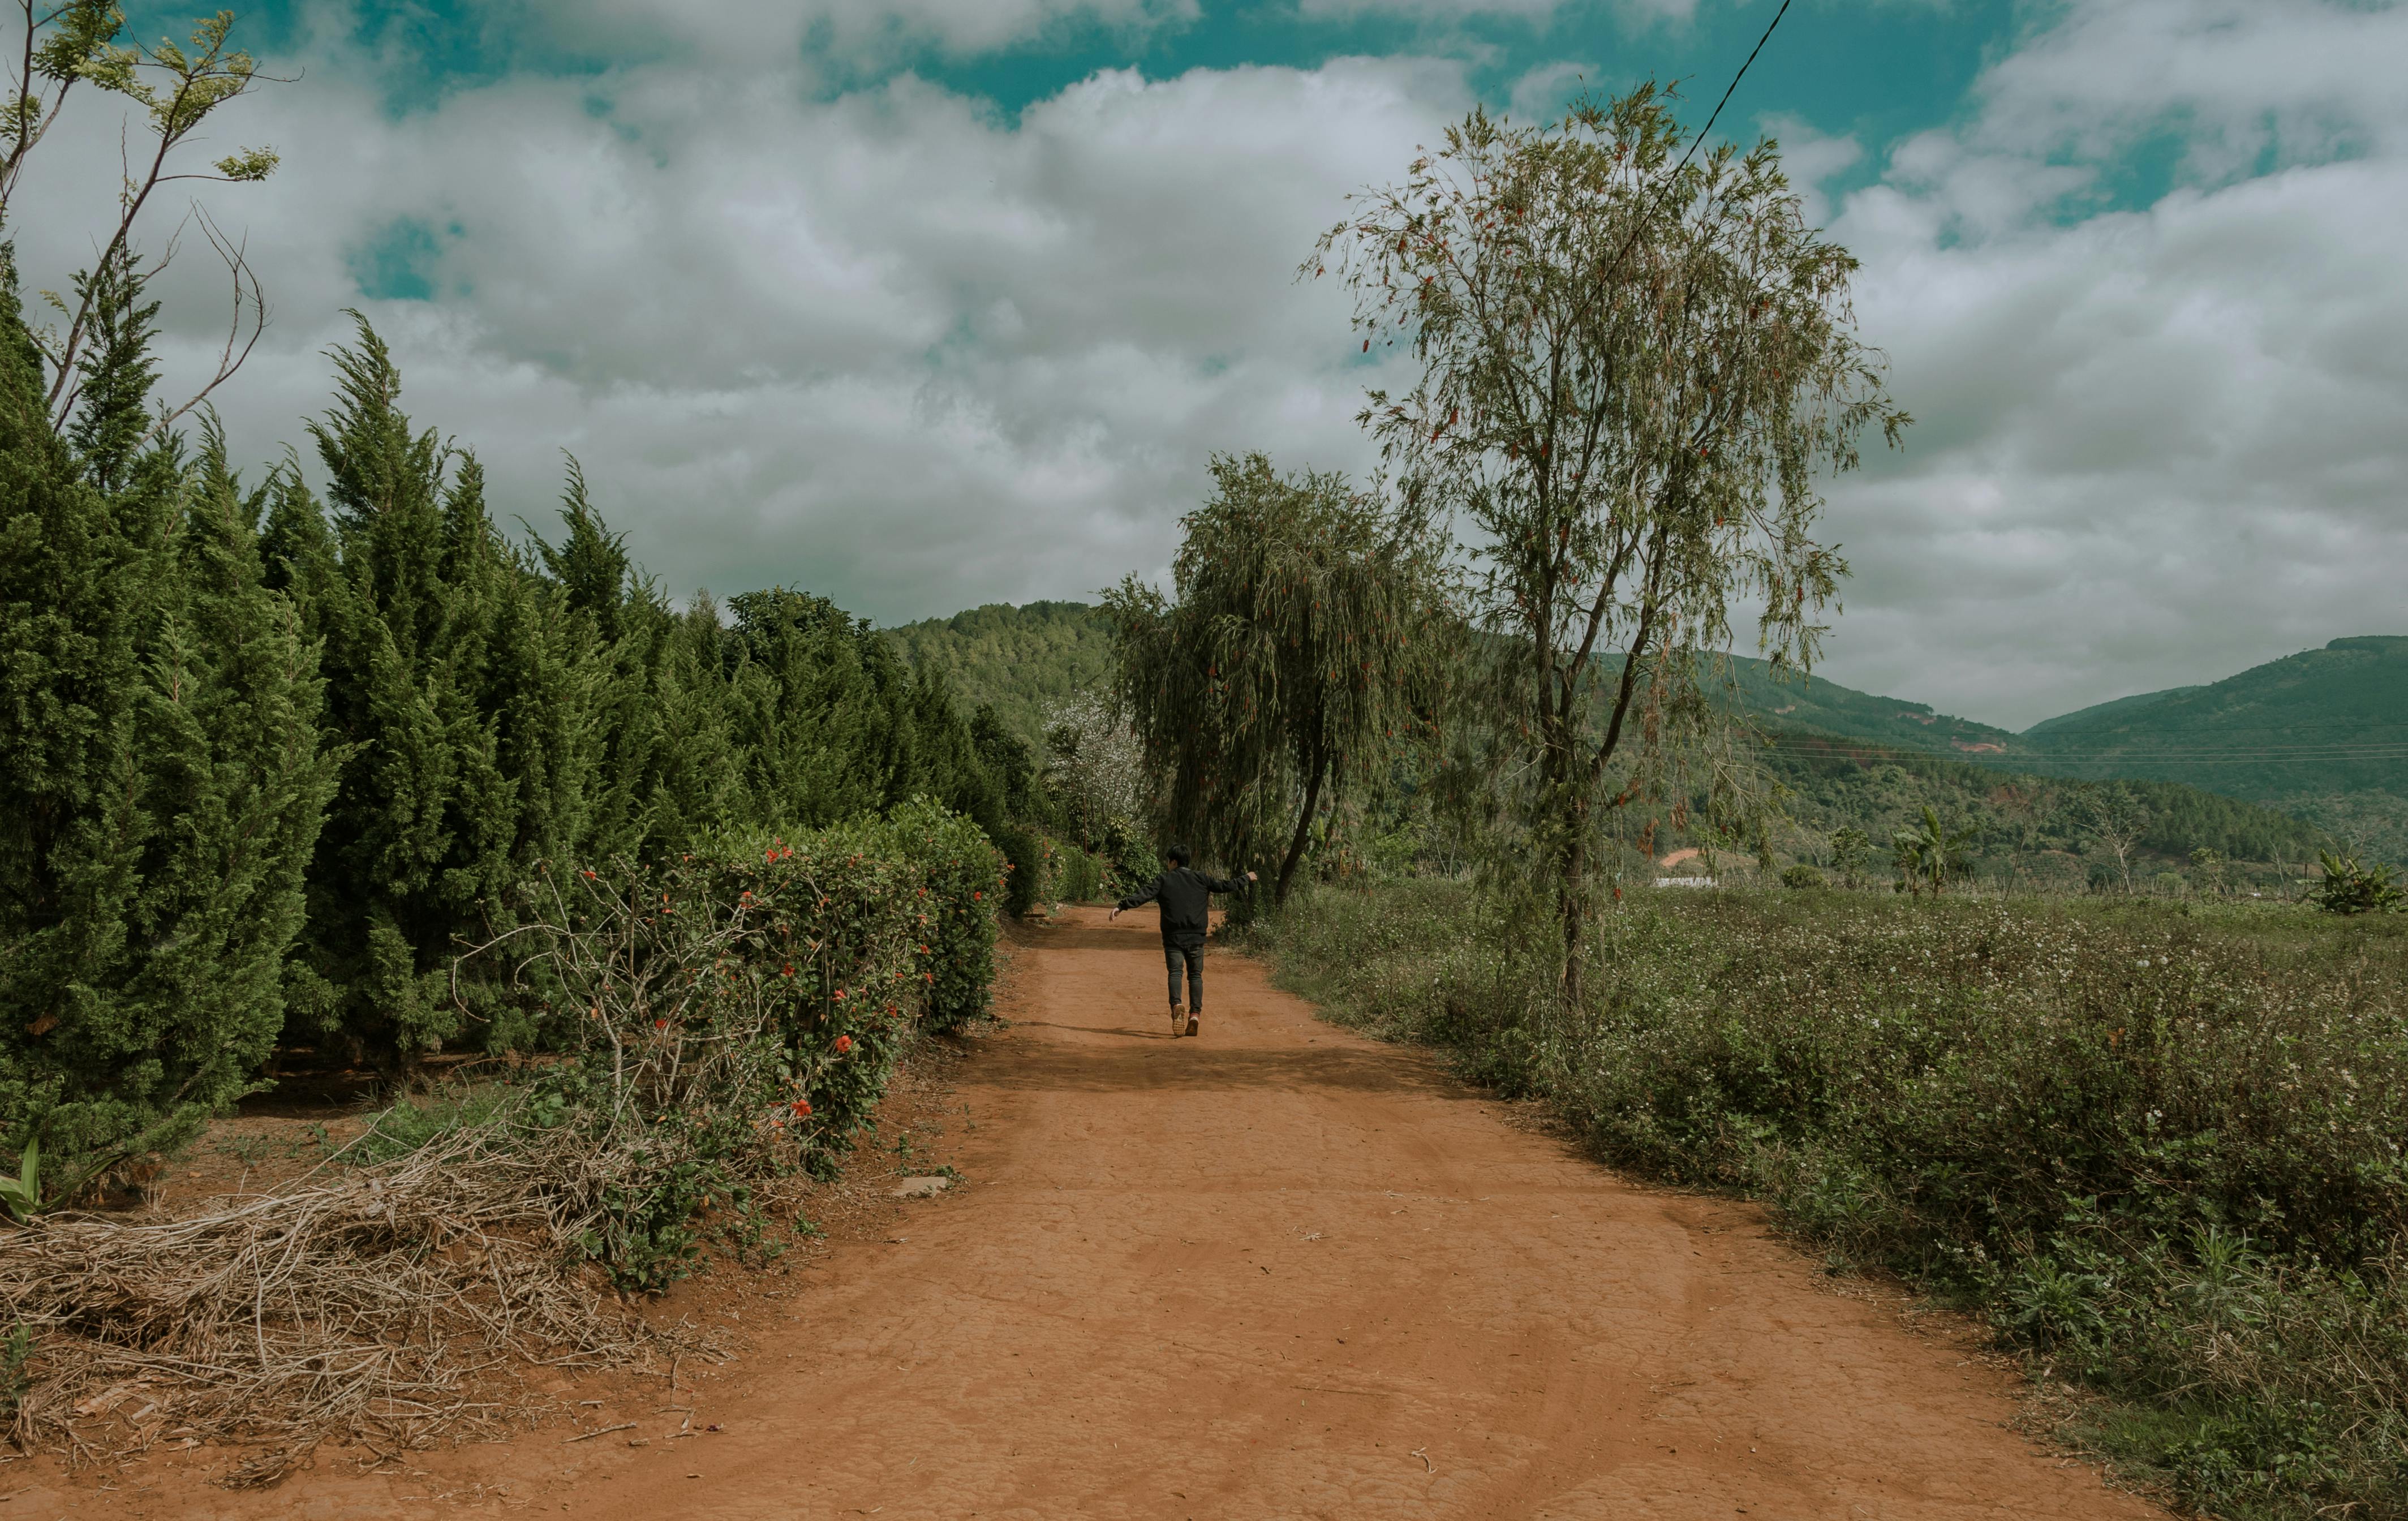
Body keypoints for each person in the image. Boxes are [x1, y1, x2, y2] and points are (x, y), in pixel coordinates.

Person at [1109, 843, 1256, 1037]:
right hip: (1196, 937)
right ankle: (1195, 1015)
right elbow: (1224, 886)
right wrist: (1246, 878)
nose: (1167, 865)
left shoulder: (1164, 880)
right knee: (1195, 975)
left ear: (1174, 862)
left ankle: (1177, 1005)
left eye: (1168, 862)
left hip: (1173, 937)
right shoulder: (1201, 878)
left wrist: (1122, 906)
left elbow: (1144, 894)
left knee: (1176, 973)